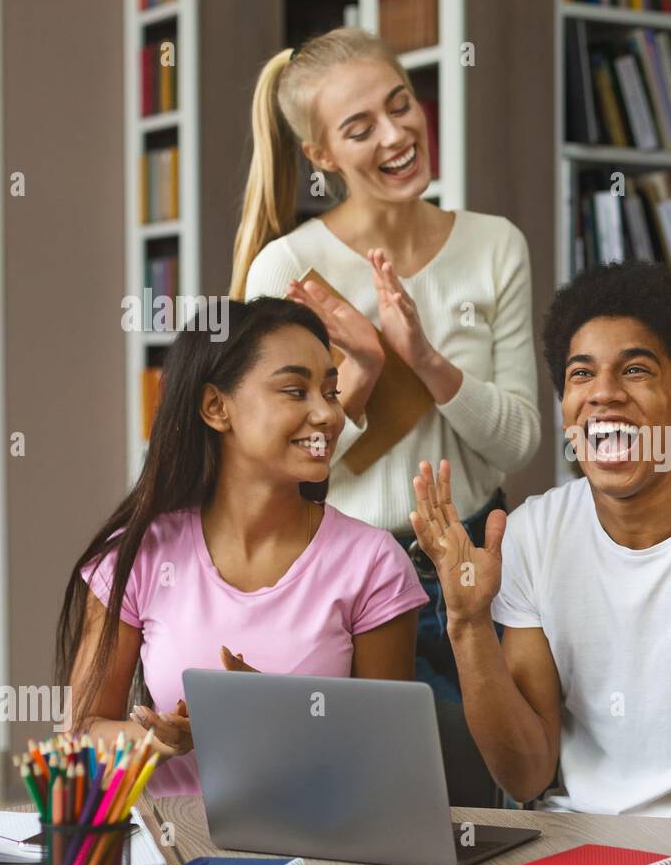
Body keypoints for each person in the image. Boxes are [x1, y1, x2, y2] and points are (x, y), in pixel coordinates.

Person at [409, 261, 671, 865]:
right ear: (566, 412)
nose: (603, 392)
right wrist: (467, 624)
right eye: (581, 374)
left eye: (634, 370)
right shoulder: (531, 532)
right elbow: (526, 773)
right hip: (567, 851)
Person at [232, 27, 540, 719]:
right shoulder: (285, 271)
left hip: (478, 570)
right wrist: (363, 376)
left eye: (401, 105)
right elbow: (273, 463)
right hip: (343, 578)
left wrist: (428, 362)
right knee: (365, 805)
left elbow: (520, 442)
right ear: (320, 154)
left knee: (496, 802)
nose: (396, 134)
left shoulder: (496, 245)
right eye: (359, 127)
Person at [55, 298, 427, 797]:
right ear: (216, 407)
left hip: (314, 858)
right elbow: (78, 740)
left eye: (331, 392)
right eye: (296, 391)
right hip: (169, 860)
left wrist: (276, 713)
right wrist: (156, 741)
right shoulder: (140, 554)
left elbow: (389, 764)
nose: (327, 414)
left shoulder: (373, 563)